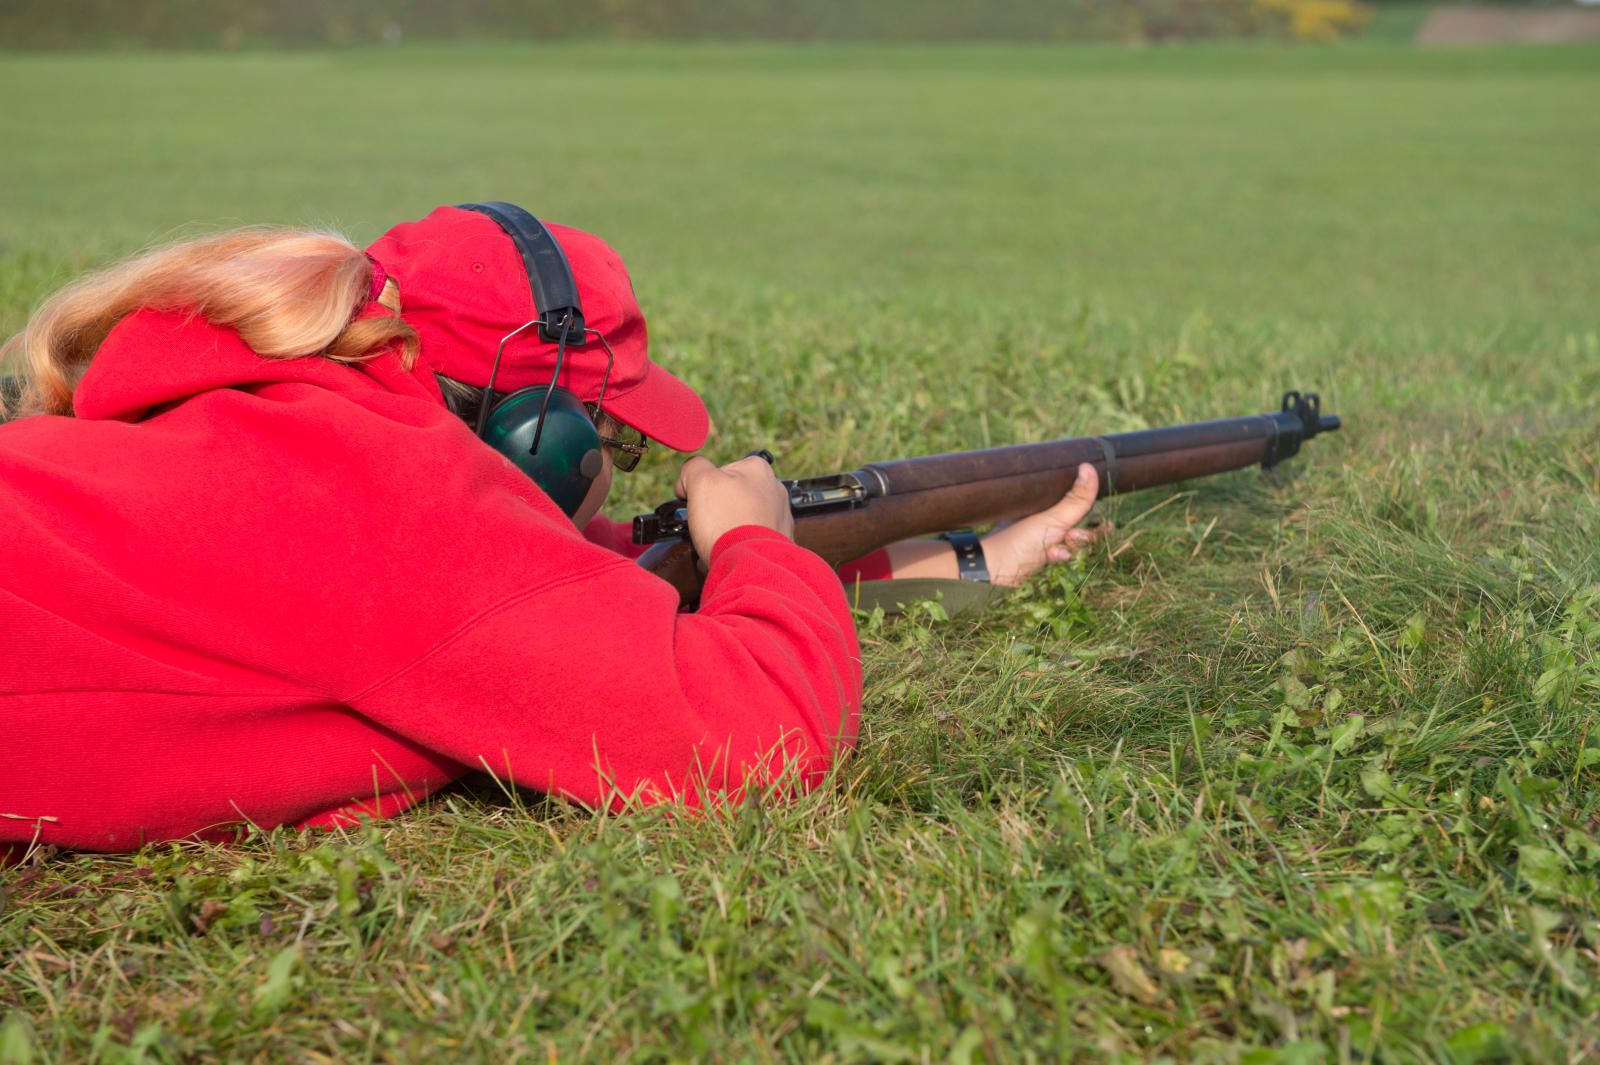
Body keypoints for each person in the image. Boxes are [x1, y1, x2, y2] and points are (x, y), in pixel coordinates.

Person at [0, 203, 1102, 858]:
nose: (615, 473)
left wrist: (940, 560)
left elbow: (549, 593)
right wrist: (756, 543)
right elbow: (758, 745)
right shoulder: (399, 516)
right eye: (609, 444)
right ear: (537, 437)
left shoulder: (300, 428)